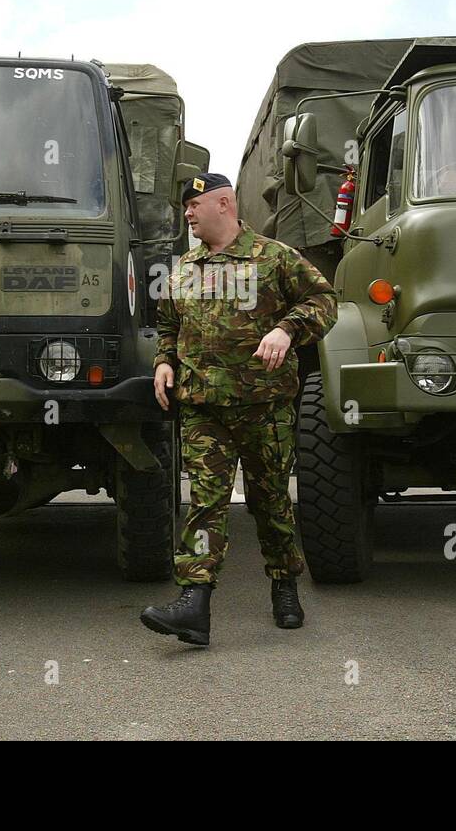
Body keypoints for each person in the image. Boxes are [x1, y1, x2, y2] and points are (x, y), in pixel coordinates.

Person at [140, 173, 337, 646]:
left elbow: (325, 301)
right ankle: (194, 603)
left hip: (263, 406)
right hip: (203, 407)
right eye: (184, 205)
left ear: (224, 203)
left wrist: (287, 329)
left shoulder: (273, 258)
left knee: (270, 501)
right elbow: (168, 324)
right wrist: (164, 361)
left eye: (194, 204)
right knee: (205, 502)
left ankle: (285, 584)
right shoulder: (185, 267)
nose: (187, 213)